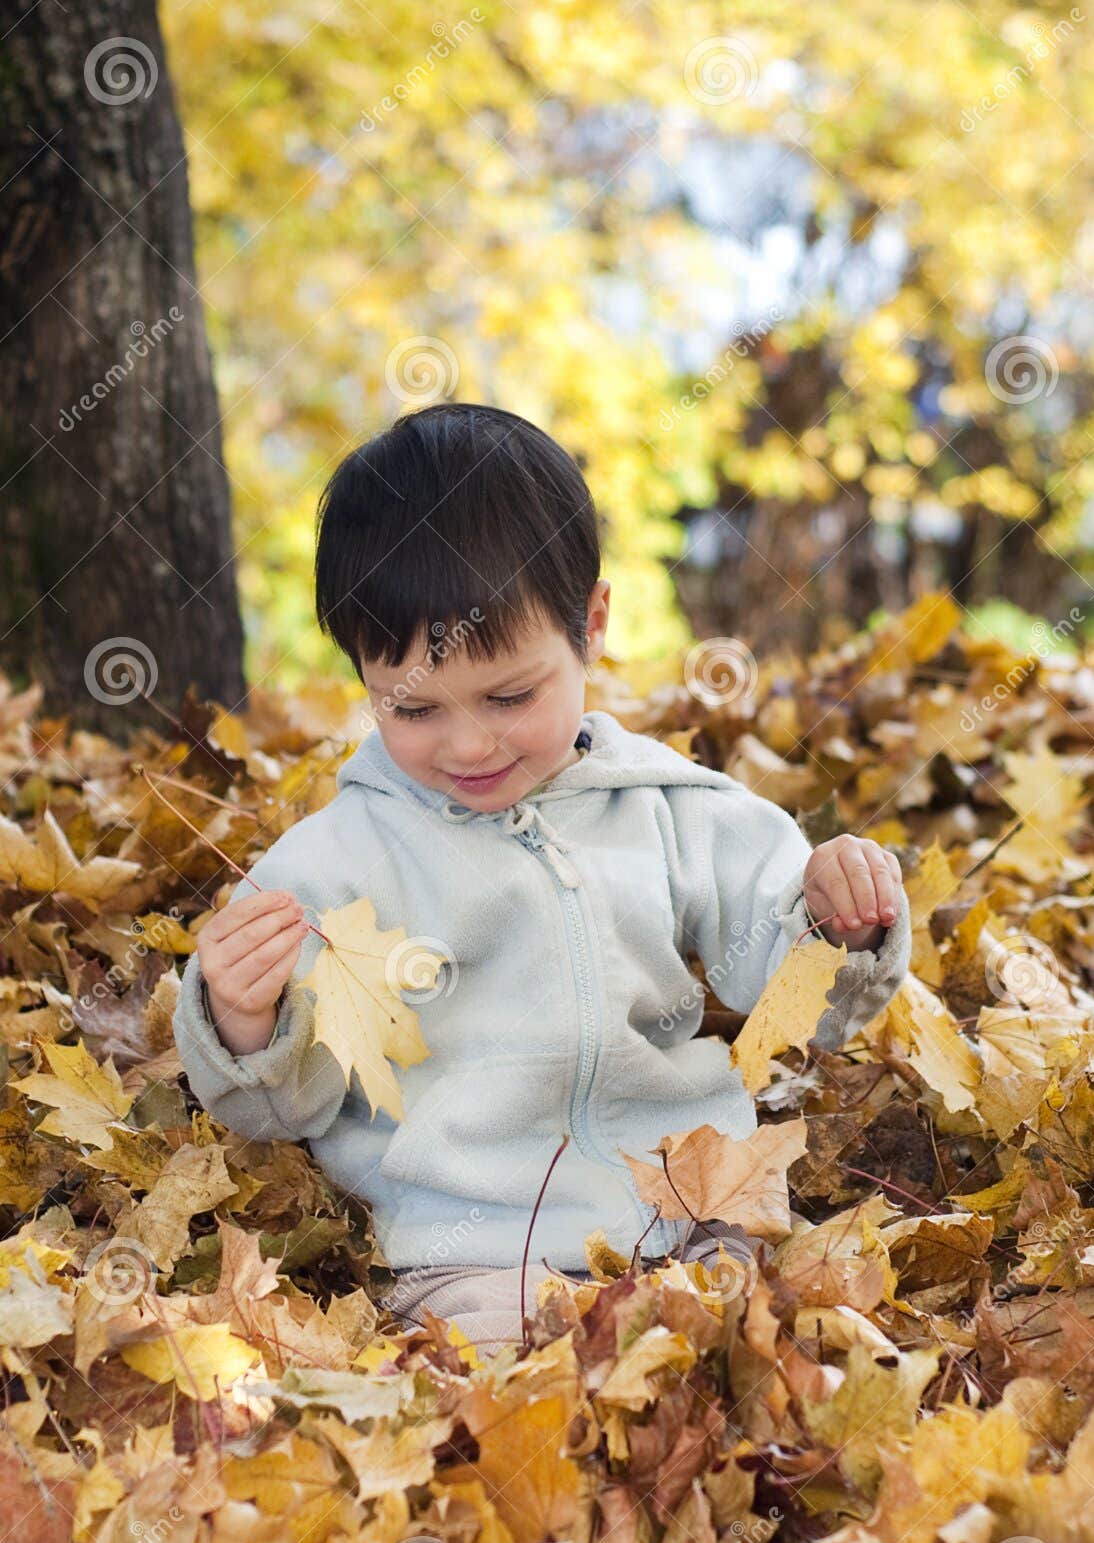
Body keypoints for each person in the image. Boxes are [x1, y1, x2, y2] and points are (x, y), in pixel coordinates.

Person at [171, 402, 911, 1352]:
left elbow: (790, 1004)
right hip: (469, 1237)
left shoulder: (668, 805)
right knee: (519, 1378)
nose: (468, 743)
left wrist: (830, 924)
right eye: (414, 708)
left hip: (690, 1199)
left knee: (775, 1339)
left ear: (591, 625)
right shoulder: (331, 864)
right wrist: (244, 1020)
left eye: (510, 696)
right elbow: (282, 1106)